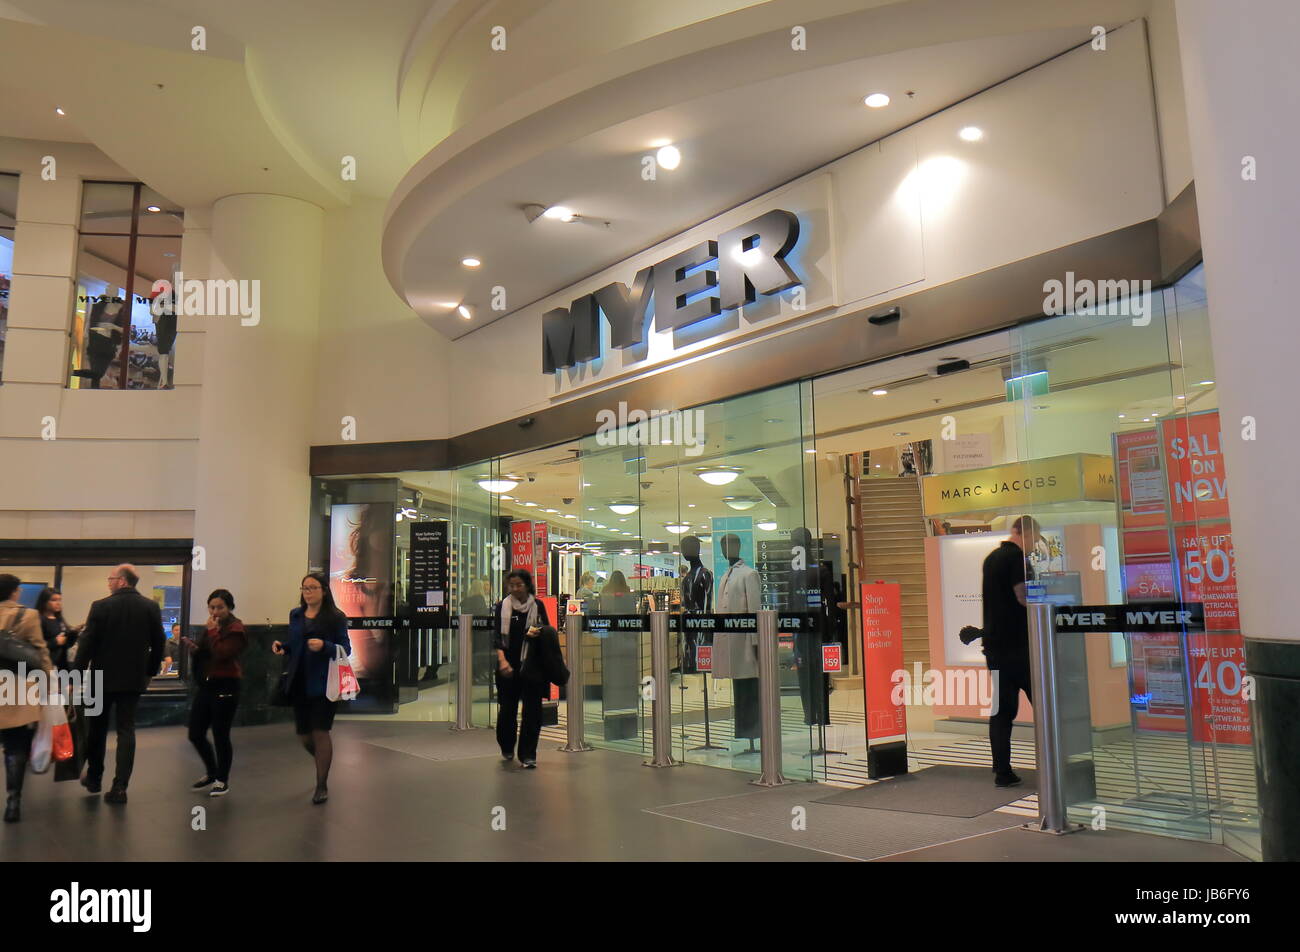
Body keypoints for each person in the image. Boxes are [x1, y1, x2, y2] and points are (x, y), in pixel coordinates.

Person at [76, 564, 165, 804]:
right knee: (126, 729)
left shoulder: (100, 606)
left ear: (123, 581)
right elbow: (159, 642)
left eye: (111, 578)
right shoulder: (150, 607)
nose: (109, 582)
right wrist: (150, 672)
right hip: (133, 679)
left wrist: (76, 675)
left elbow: (87, 645)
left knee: (96, 729)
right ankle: (120, 787)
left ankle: (94, 778)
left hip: (100, 679)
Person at [273, 573, 350, 804]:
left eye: (312, 588)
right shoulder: (296, 615)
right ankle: (322, 760)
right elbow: (295, 643)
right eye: (304, 588)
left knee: (320, 731)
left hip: (325, 683)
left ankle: (321, 785)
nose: (307, 592)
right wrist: (284, 647)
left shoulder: (335, 617)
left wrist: (325, 646)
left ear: (323, 590)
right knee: (304, 735)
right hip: (299, 681)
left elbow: (345, 649)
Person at [981, 515, 1040, 788]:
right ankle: (1053, 764)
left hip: (995, 648)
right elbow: (1023, 596)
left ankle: (1002, 771)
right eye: (1035, 538)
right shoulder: (1017, 558)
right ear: (1024, 533)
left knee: (1002, 711)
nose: (1035, 543)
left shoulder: (991, 559)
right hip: (1019, 647)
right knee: (1044, 705)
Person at [0, 574, 55, 823]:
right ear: (14, 591)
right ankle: (13, 801)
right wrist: (50, 680)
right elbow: (40, 652)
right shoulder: (28, 615)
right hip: (18, 687)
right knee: (16, 746)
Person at [185, 590, 248, 797]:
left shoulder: (236, 629)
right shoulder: (212, 627)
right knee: (195, 733)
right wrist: (194, 649)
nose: (215, 612)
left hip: (227, 685)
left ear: (229, 607)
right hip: (208, 685)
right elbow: (207, 652)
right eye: (211, 607)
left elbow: (223, 653)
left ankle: (222, 779)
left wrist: (212, 632)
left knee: (221, 734)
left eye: (220, 607)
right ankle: (212, 772)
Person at [493, 569, 551, 768]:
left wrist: (536, 633)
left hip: (532, 666)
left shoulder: (537, 606)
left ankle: (528, 755)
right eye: (512, 585)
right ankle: (507, 745)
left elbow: (546, 631)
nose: (516, 589)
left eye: (519, 585)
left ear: (527, 585)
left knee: (533, 711)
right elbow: (497, 638)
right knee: (507, 710)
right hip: (508, 666)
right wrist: (502, 661)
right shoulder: (502, 607)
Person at [36, 587, 77, 671]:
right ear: (44, 602)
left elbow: (68, 643)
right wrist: (55, 642)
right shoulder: (38, 620)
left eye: (60, 600)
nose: (58, 603)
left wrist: (73, 634)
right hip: (46, 665)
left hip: (62, 665)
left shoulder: (59, 619)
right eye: (54, 600)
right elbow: (36, 645)